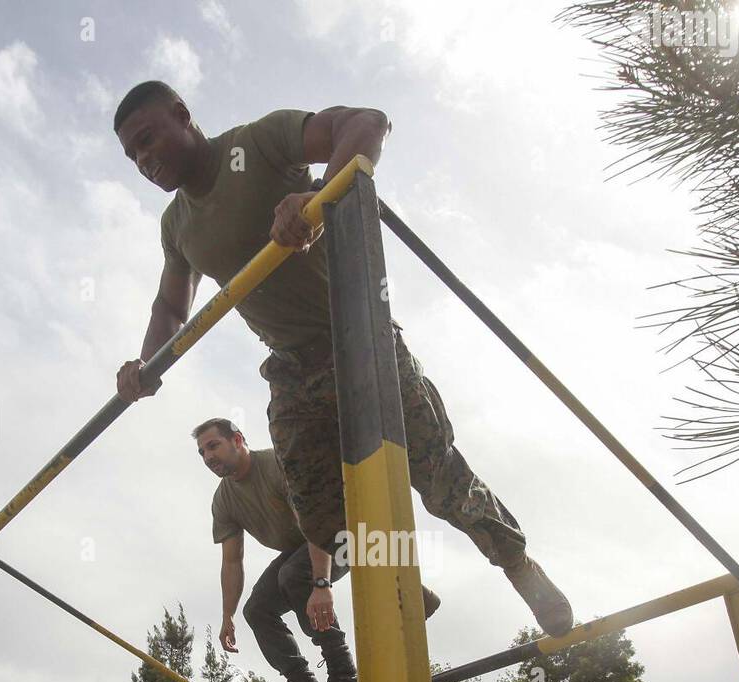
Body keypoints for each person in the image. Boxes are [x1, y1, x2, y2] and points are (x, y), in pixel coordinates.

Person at [112, 82, 574, 641]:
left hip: (358, 337)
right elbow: (170, 303)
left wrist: (316, 198)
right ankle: (400, 578)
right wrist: (146, 365)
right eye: (132, 154)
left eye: (148, 139)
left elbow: (366, 121)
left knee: (437, 478)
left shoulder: (258, 143)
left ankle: (519, 566)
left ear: (183, 116)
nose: (145, 160)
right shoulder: (177, 224)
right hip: (290, 367)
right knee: (316, 509)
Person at [196, 418, 437, 682]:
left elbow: (316, 522)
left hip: (343, 532)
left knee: (294, 575)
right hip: (301, 549)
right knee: (256, 609)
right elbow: (231, 561)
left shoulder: (278, 465)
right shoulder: (224, 500)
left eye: (213, 445)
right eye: (202, 452)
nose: (208, 457)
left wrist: (321, 585)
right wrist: (227, 615)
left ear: (238, 440)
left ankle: (344, 674)